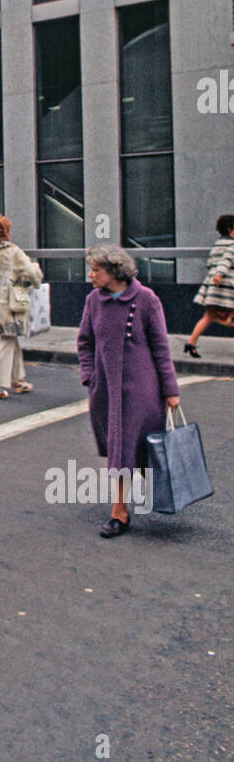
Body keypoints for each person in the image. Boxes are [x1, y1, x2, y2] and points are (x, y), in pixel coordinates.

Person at [78, 246, 180, 538]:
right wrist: (90, 376)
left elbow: (161, 348)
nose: (90, 275)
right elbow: (84, 342)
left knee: (141, 447)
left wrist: (170, 390)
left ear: (114, 272)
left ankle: (154, 496)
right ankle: (120, 511)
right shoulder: (93, 301)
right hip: (106, 392)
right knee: (119, 450)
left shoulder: (146, 299)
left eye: (96, 270)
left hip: (142, 391)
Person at [0, 215, 42, 399]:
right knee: (8, 339)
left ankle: (18, 380)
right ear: (5, 232)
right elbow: (31, 273)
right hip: (11, 303)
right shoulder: (12, 251)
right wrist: (36, 273)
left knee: (11, 337)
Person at [184, 214, 234, 357]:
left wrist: (215, 276)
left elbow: (210, 264)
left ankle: (191, 343)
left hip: (213, 289)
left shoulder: (217, 245)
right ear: (230, 229)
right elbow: (225, 261)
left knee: (208, 316)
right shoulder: (232, 246)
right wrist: (220, 275)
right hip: (227, 288)